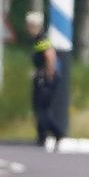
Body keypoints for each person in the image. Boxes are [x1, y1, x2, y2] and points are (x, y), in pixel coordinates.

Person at [25, 11, 63, 148]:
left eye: (29, 26)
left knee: (42, 109)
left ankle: (57, 132)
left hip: (45, 79)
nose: (27, 29)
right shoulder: (37, 40)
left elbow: (50, 56)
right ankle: (42, 136)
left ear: (35, 26)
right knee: (39, 108)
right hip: (41, 76)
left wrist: (48, 76)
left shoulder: (41, 40)